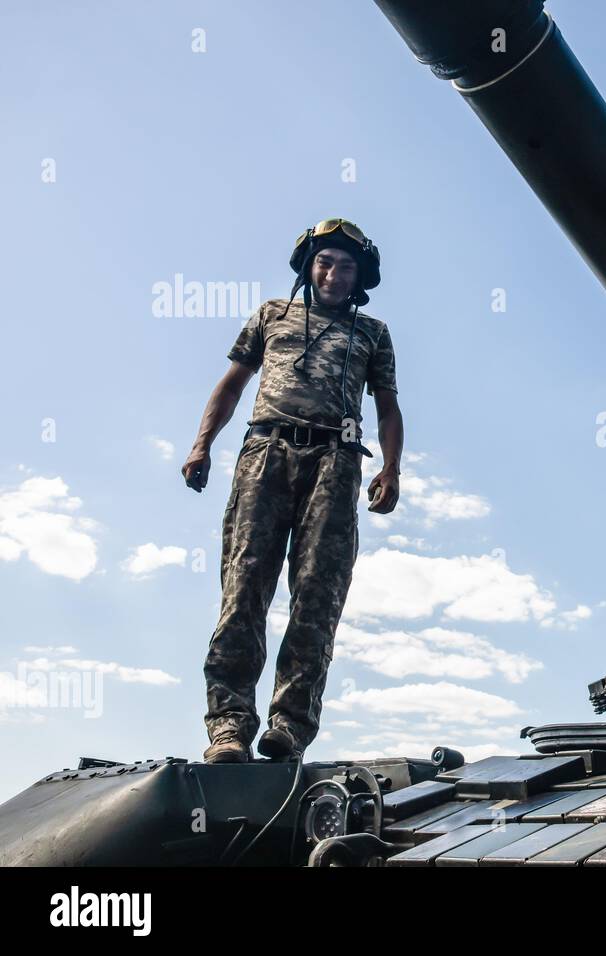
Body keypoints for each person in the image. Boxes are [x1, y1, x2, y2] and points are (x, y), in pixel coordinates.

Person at [181, 218, 404, 763]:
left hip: (336, 459)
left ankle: (289, 727)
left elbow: (389, 407)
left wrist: (392, 469)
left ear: (360, 278)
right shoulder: (272, 316)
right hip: (266, 453)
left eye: (346, 267)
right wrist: (201, 444)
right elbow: (232, 383)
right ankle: (229, 726)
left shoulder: (372, 333)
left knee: (317, 596)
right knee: (244, 586)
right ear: (309, 266)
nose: (333, 273)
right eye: (325, 262)